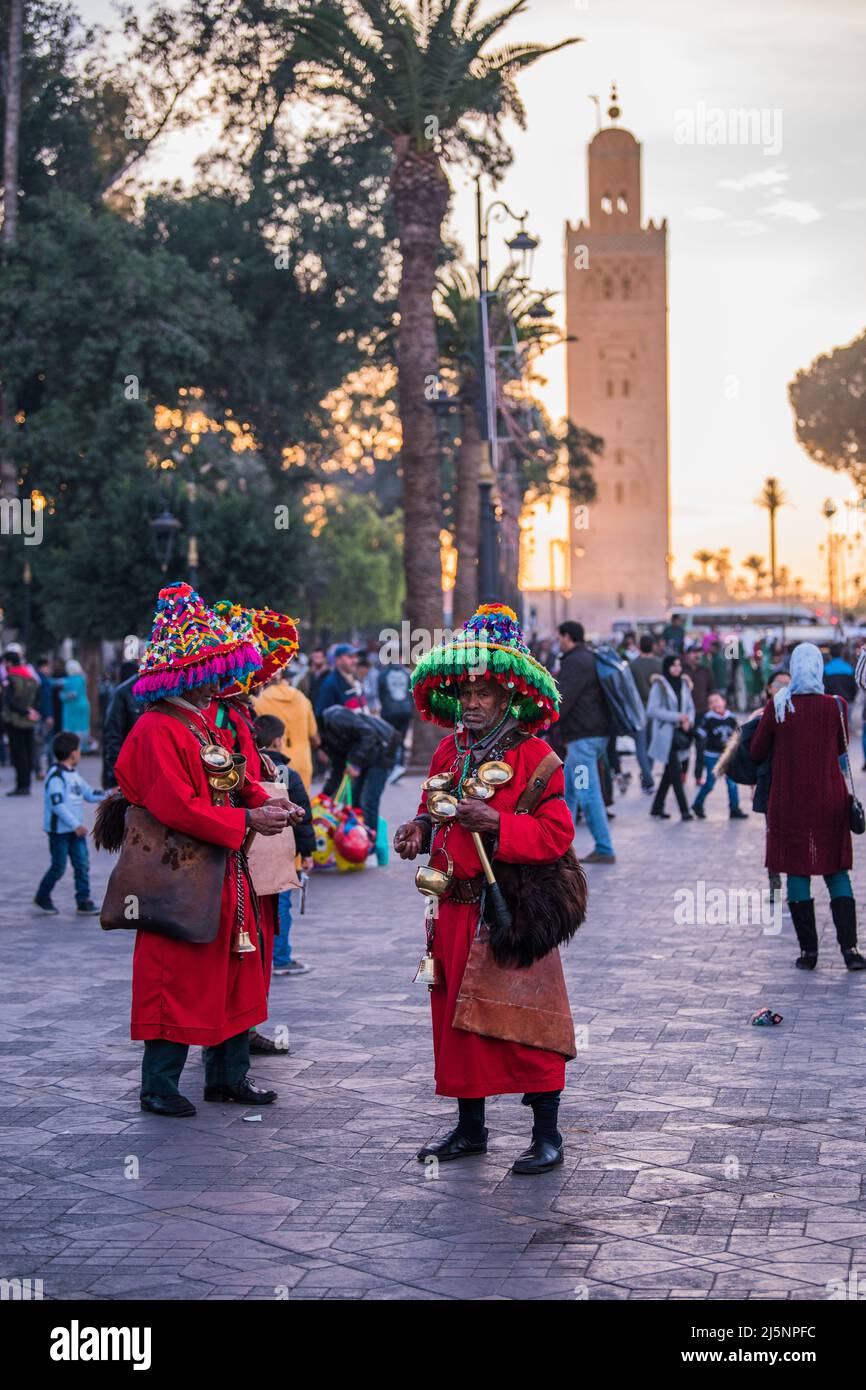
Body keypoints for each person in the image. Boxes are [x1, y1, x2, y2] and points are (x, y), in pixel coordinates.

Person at [395, 603, 583, 1175]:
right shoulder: (449, 751)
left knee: (529, 1022)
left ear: (508, 699)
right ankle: (470, 1129)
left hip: (509, 914)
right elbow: (437, 811)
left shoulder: (535, 757)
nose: (473, 703)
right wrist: (419, 829)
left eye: (485, 694)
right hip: (452, 911)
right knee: (457, 1020)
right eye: (466, 693)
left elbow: (556, 834)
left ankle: (547, 1133)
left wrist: (498, 824)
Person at [111, 582, 303, 1117]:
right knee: (177, 970)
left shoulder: (198, 722)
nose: (221, 680)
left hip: (223, 864)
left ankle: (228, 1076)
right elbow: (176, 806)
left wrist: (269, 802)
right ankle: (159, 1085)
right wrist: (247, 818)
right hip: (179, 870)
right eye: (211, 671)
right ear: (185, 674)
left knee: (234, 963)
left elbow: (235, 780)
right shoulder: (156, 729)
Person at [212, 599, 304, 1048]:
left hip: (249, 837)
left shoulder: (237, 712)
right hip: (231, 840)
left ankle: (244, 1029)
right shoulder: (219, 715)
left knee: (260, 937)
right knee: (240, 939)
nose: (261, 675)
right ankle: (230, 1039)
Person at [750, 641, 866, 972]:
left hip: (789, 801)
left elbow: (758, 750)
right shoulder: (837, 706)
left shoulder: (779, 706)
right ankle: (850, 950)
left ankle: (809, 952)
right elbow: (842, 748)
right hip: (830, 798)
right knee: (836, 870)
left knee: (797, 870)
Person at [254, 714, 315, 977]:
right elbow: (303, 816)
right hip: (281, 848)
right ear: (279, 740)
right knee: (280, 903)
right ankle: (279, 956)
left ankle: (254, 953)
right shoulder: (287, 773)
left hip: (249, 846)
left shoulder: (246, 768)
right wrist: (308, 852)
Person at [555, 620, 615, 864]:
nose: (559, 641)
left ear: (568, 637)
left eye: (560, 637)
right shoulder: (587, 658)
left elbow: (562, 697)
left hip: (583, 740)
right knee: (568, 792)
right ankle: (561, 847)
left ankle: (604, 847)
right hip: (591, 736)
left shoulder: (575, 662)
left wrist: (543, 719)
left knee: (587, 792)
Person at [33, 731, 104, 915]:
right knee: (58, 867)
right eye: (79, 750)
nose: (79, 754)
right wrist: (75, 825)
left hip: (75, 831)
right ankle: (42, 896)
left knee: (82, 864)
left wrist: (112, 794)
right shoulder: (55, 776)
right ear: (73, 753)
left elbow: (89, 794)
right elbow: (57, 805)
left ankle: (84, 900)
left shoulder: (74, 775)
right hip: (60, 832)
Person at [318, 705, 398, 841]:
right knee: (354, 801)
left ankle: (370, 846)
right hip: (367, 754)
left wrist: (355, 763)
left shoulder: (335, 717)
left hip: (384, 746)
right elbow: (338, 770)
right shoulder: (327, 742)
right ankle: (356, 841)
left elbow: (368, 733)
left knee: (368, 800)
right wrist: (323, 798)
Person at [647, 654, 695, 821]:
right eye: (673, 665)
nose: (677, 668)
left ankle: (656, 807)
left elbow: (690, 706)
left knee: (670, 771)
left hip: (680, 732)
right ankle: (684, 810)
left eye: (679, 665)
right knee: (675, 771)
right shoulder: (659, 686)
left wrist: (688, 720)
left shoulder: (684, 684)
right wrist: (678, 717)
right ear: (667, 667)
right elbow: (652, 710)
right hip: (666, 735)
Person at [253, 673, 318, 792]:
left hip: (277, 764)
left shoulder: (259, 701)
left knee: (282, 802)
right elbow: (314, 737)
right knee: (302, 803)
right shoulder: (302, 698)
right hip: (303, 762)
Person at [692, 691, 747, 820]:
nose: (714, 704)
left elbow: (738, 734)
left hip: (728, 755)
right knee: (710, 783)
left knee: (732, 783)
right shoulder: (708, 718)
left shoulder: (731, 717)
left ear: (724, 702)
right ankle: (697, 805)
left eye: (716, 700)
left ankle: (735, 809)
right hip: (712, 756)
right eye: (711, 702)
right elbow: (700, 732)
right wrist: (693, 732)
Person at [2, 644, 40, 795]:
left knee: (19, 754)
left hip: (15, 720)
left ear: (9, 663)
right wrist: (32, 711)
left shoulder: (11, 678)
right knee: (28, 752)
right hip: (30, 720)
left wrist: (24, 712)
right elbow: (38, 697)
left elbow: (9, 702)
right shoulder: (31, 678)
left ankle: (21, 786)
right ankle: (27, 784)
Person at [102, 660, 141, 787]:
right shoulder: (124, 693)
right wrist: (114, 778)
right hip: (131, 773)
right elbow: (113, 736)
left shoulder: (172, 690)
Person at [630, 634, 661, 792]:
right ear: (653, 646)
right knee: (651, 744)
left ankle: (647, 778)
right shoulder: (659, 664)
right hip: (655, 709)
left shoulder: (633, 665)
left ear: (639, 646)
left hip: (638, 709)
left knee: (640, 746)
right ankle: (648, 776)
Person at [377, 656, 414, 784]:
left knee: (389, 741)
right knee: (401, 741)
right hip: (405, 712)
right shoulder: (408, 674)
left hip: (388, 713)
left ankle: (392, 768)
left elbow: (380, 693)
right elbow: (412, 693)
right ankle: (398, 766)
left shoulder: (383, 674)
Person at [314, 645, 364, 717]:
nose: (355, 660)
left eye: (356, 657)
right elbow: (321, 714)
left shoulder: (356, 680)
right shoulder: (330, 684)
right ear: (338, 660)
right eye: (350, 657)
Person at [58, 659, 91, 747]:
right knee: (82, 727)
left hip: (73, 707)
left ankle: (73, 747)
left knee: (73, 729)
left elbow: (73, 695)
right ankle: (82, 746)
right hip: (83, 705)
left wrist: (62, 695)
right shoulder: (82, 678)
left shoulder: (72, 679)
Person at [35, 657, 56, 778]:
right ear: (43, 667)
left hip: (38, 715)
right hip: (44, 715)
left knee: (40, 743)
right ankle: (47, 768)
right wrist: (48, 715)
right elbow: (46, 700)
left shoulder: (36, 679)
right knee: (46, 743)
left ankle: (40, 769)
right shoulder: (44, 681)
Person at [684, 645, 715, 722]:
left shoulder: (706, 670)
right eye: (694, 652)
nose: (697, 655)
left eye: (699, 652)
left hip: (703, 712)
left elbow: (711, 690)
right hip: (685, 712)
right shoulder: (682, 670)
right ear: (687, 655)